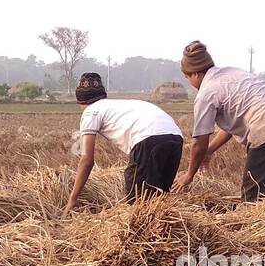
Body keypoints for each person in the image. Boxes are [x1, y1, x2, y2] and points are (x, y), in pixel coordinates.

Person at [173, 40, 265, 202]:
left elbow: (199, 143)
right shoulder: (232, 72)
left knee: (252, 195)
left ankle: (252, 220)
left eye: (187, 77)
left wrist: (189, 175)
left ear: (195, 74)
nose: (189, 82)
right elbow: (229, 127)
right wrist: (210, 150)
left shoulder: (206, 94)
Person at [64, 72, 184, 214]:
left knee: (138, 205)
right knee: (158, 201)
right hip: (175, 137)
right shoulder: (116, 105)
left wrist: (72, 199)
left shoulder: (90, 111)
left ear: (81, 102)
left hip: (149, 138)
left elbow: (87, 161)